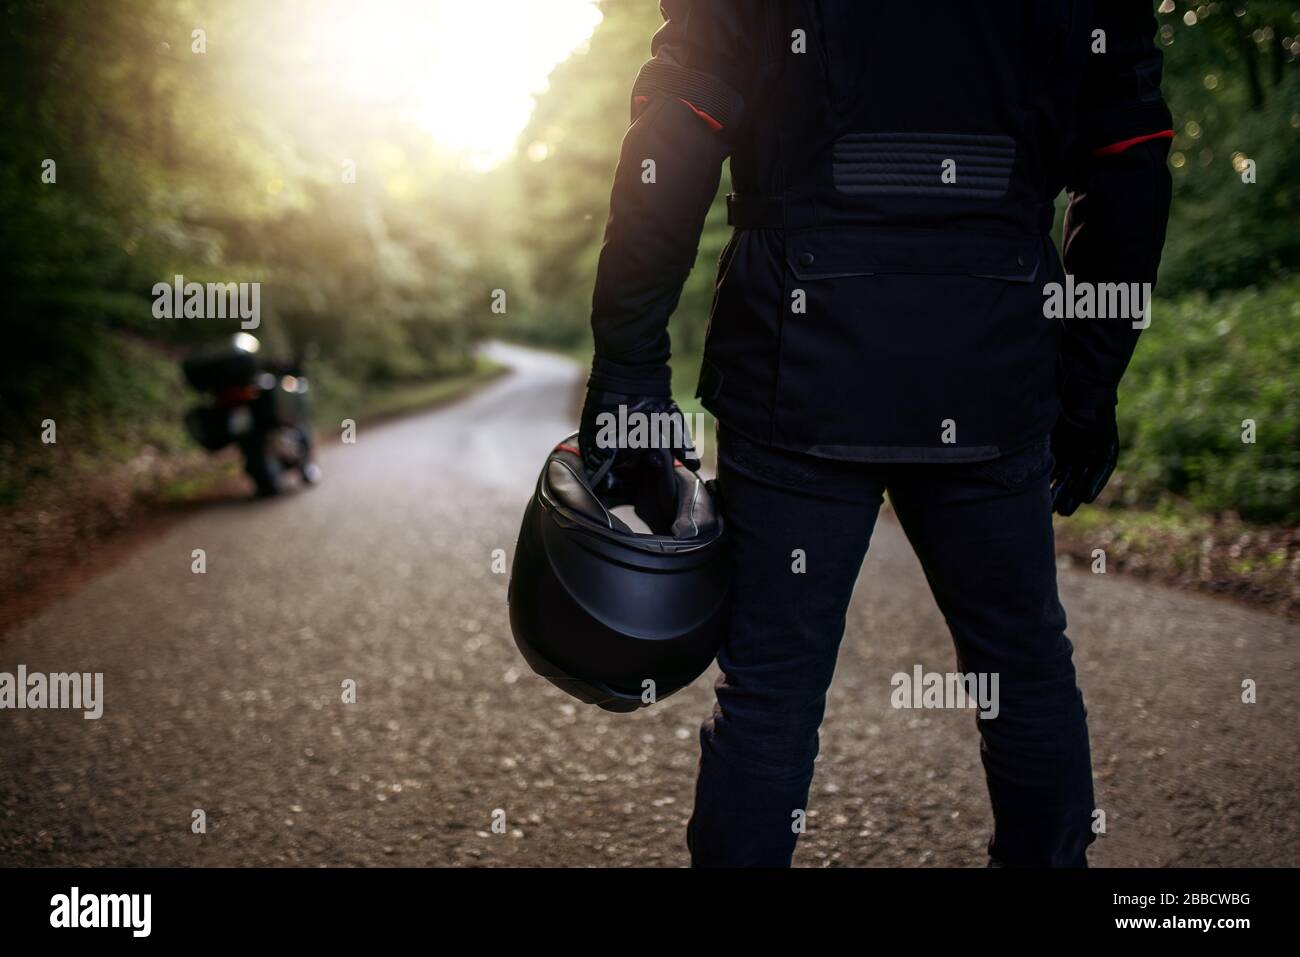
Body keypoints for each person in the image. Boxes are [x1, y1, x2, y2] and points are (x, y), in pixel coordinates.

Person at [578, 0, 1173, 867]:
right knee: (1022, 668)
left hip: (798, 367)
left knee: (772, 690)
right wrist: (1086, 386)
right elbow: (1129, 167)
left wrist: (630, 369)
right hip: (994, 370)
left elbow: (676, 135)